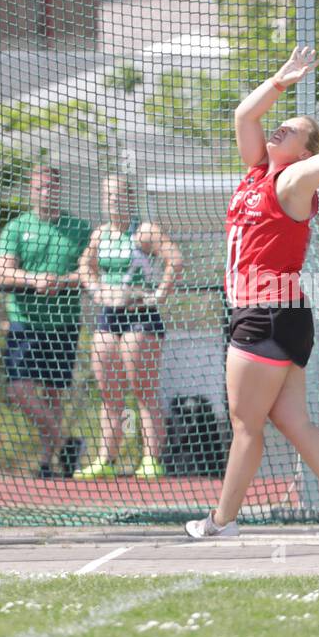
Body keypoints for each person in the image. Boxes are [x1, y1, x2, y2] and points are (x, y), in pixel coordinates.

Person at [185, 45, 319, 538]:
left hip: (266, 312)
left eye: (295, 129)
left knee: (246, 426)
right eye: (283, 122)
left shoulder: (293, 180)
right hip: (279, 314)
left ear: (304, 149)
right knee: (292, 421)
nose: (281, 127)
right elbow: (245, 112)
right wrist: (281, 79)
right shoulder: (256, 171)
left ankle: (221, 522)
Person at [75, 174, 183, 480]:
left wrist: (158, 293)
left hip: (141, 317)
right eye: (108, 196)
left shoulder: (145, 231)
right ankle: (105, 459)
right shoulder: (100, 235)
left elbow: (176, 260)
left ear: (131, 198)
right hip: (110, 317)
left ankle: (151, 459)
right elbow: (86, 266)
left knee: (142, 390)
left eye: (120, 195)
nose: (114, 201)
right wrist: (97, 290)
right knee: (109, 393)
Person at [0, 165, 91, 479]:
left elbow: (91, 272)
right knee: (19, 390)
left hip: (63, 322)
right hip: (25, 322)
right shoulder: (16, 227)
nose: (45, 192)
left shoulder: (78, 227)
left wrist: (62, 281)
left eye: (50, 187)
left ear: (58, 189)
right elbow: (3, 273)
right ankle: (66, 443)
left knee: (53, 393)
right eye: (39, 187)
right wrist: (34, 279)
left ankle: (48, 462)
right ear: (31, 190)